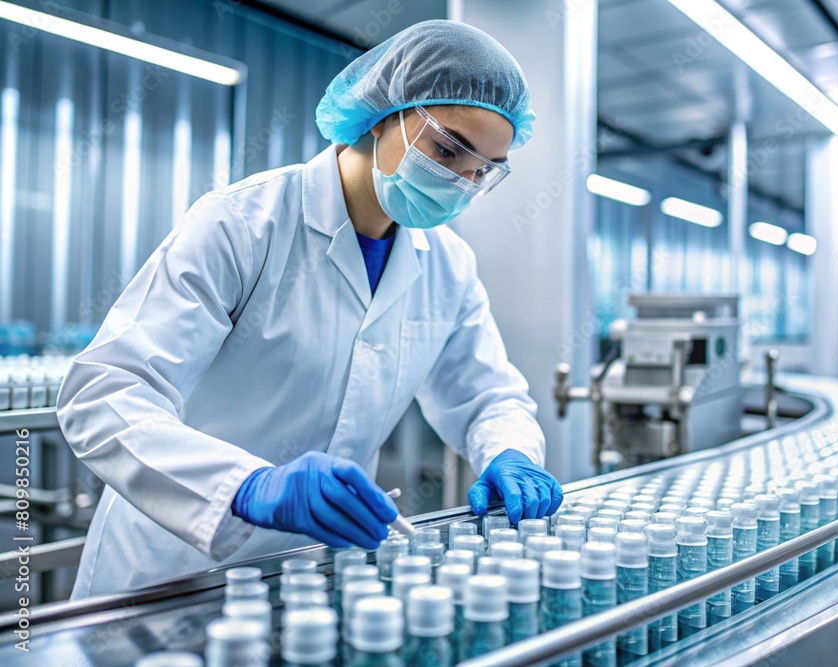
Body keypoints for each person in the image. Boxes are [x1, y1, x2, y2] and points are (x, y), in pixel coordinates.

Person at [56, 20, 562, 599]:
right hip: (173, 568)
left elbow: (486, 394)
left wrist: (510, 451)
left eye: (480, 172)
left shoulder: (448, 265)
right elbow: (106, 393)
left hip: (320, 576)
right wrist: (247, 486)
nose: (458, 180)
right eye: (447, 148)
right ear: (386, 112)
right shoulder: (243, 222)